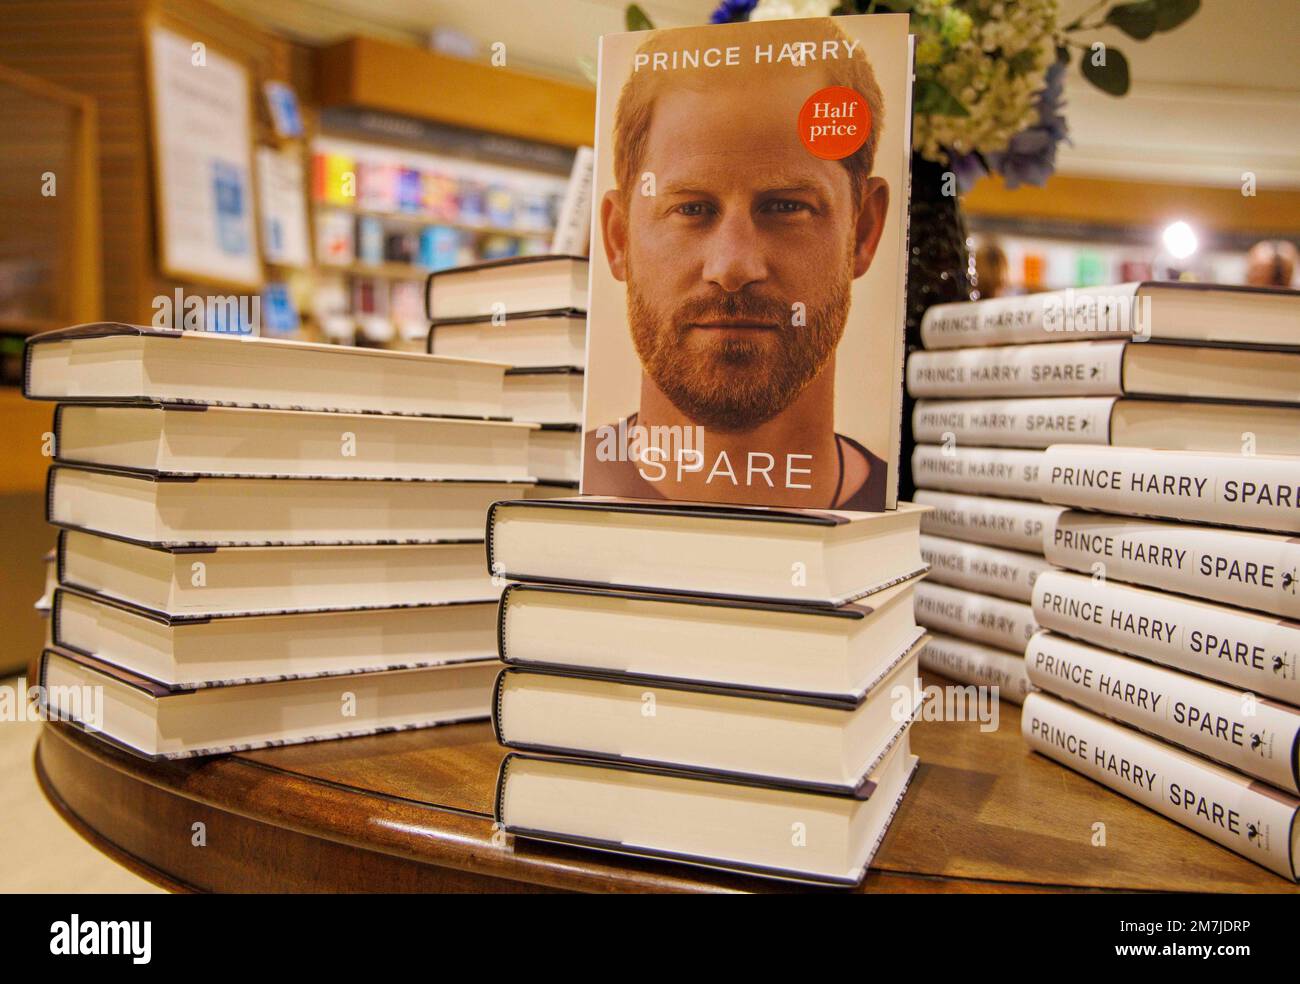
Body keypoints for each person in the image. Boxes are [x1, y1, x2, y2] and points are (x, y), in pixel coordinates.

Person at [585, 18, 892, 510]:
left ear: (864, 230)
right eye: (690, 209)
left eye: (787, 207)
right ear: (619, 237)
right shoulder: (542, 494)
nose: (732, 266)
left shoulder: (911, 529)